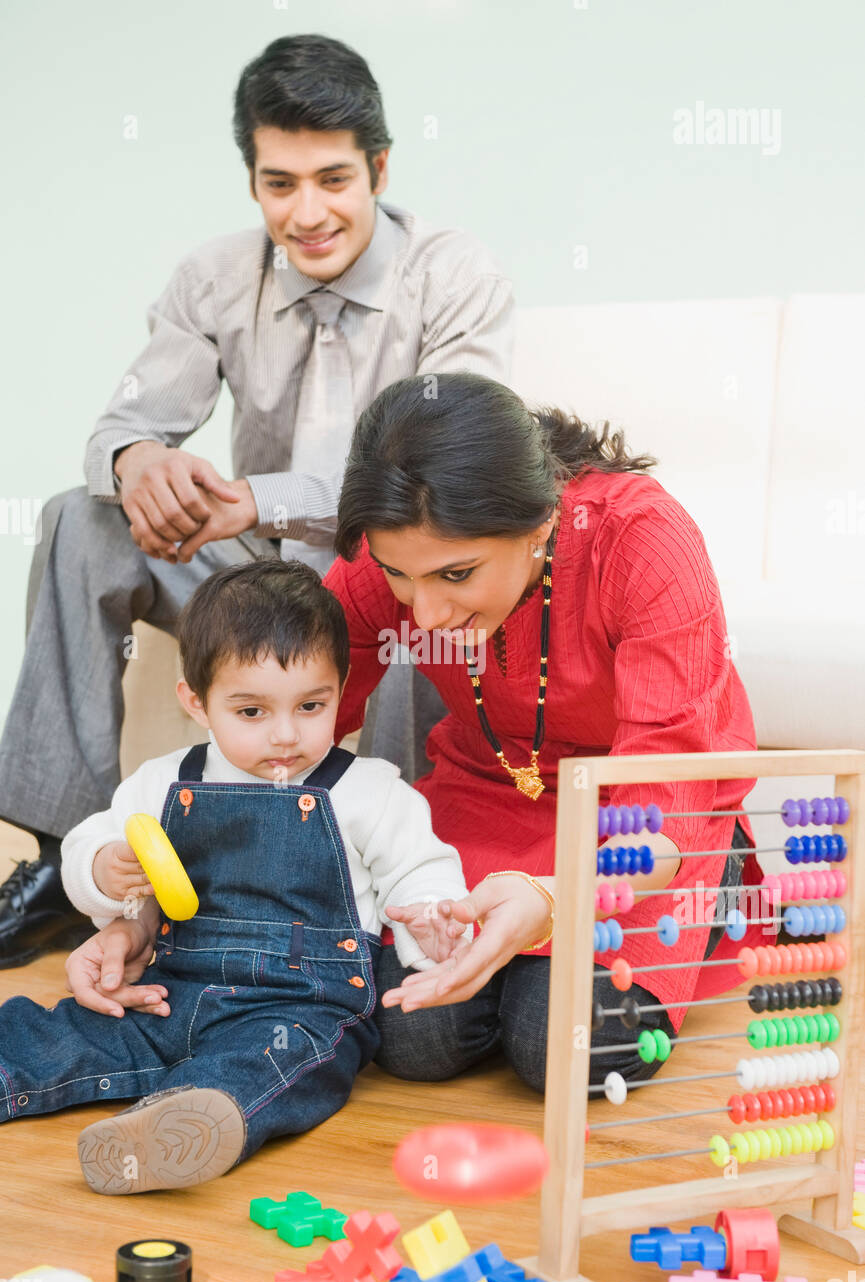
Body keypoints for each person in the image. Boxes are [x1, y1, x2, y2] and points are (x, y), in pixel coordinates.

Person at [0, 33, 513, 967]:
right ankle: (66, 862)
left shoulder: (451, 274)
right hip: (251, 584)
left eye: (332, 179)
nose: (308, 212)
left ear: (379, 167)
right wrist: (141, 460)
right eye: (280, 184)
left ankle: (393, 890)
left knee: (417, 605)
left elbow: (447, 469)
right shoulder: (213, 275)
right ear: (252, 182)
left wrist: (259, 499)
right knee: (82, 519)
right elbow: (117, 427)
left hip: (382, 572)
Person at [324, 372, 765, 1093]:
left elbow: (659, 807)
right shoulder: (396, 551)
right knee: (413, 1035)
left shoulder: (644, 543)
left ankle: (723, 887)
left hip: (640, 825)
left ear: (538, 525)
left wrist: (554, 898)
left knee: (560, 1047)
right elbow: (293, 726)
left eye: (456, 574)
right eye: (400, 577)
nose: (425, 613)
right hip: (481, 799)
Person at [0, 559, 471, 1193]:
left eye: (311, 705)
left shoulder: (367, 789)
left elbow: (422, 869)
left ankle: (178, 1126)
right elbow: (93, 842)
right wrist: (103, 869)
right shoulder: (164, 780)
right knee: (56, 1032)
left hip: (300, 1006)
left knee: (275, 1066)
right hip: (169, 990)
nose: (286, 735)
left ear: (342, 686)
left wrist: (433, 922)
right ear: (196, 700)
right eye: (251, 712)